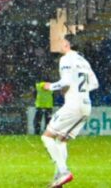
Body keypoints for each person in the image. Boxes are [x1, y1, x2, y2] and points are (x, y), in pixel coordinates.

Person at [39, 32, 98, 188]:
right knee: (61, 140)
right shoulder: (83, 61)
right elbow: (95, 84)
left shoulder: (66, 59)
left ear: (68, 45)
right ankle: (59, 178)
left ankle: (64, 172)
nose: (59, 44)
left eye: (61, 41)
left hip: (73, 105)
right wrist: (79, 90)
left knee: (47, 137)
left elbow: (65, 81)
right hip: (86, 105)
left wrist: (50, 86)